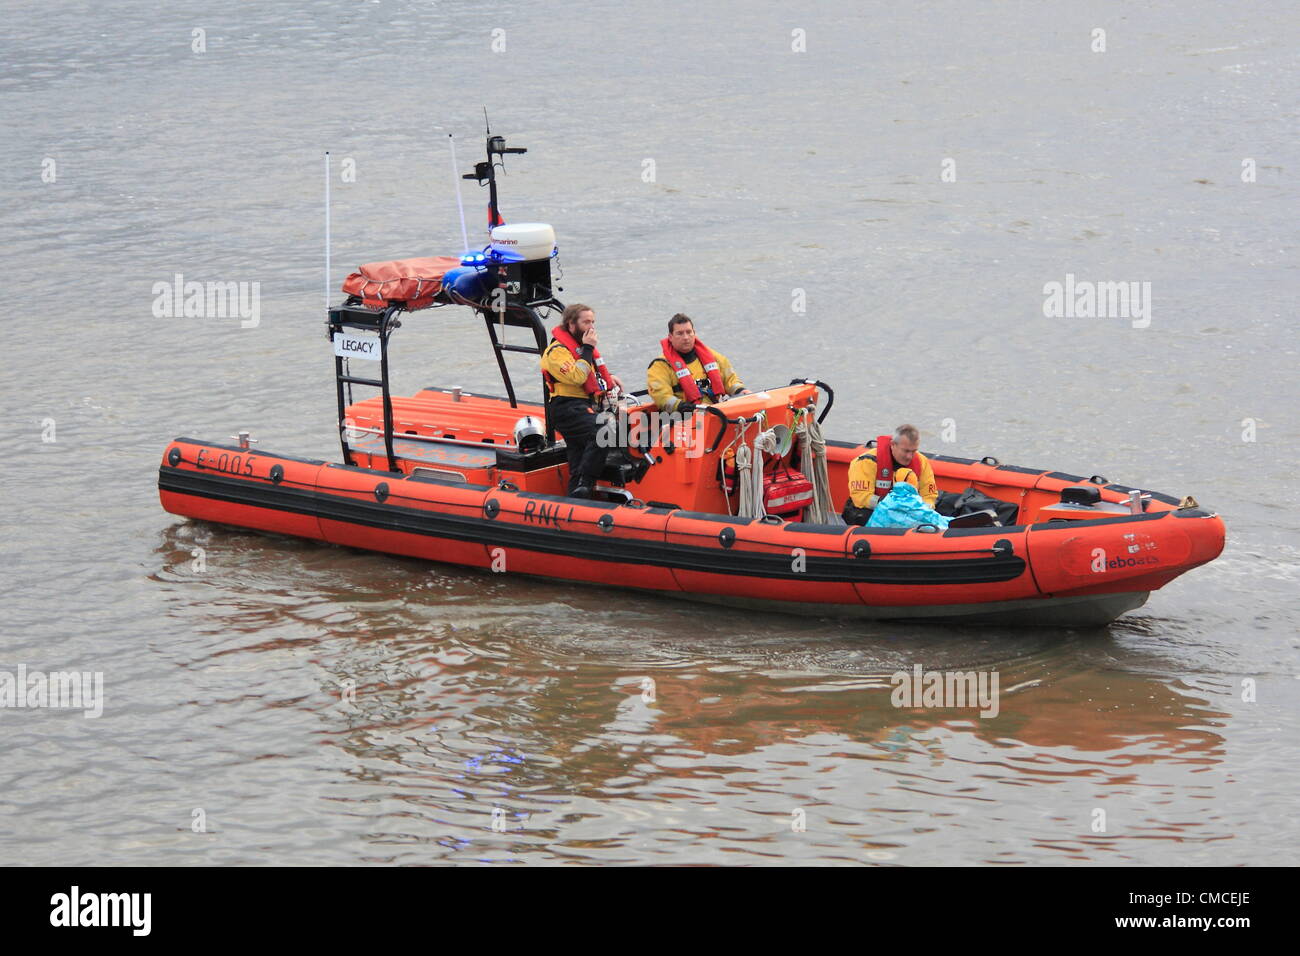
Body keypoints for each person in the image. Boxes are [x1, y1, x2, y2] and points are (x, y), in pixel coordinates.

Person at [540, 303, 624, 499]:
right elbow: (577, 376)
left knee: (577, 457)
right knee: (604, 431)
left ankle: (576, 498)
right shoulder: (557, 352)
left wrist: (608, 378)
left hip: (582, 406)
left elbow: (588, 372)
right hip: (566, 407)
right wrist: (588, 347)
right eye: (586, 322)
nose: (591, 327)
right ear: (571, 325)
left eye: (593, 322)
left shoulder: (579, 349)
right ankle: (586, 483)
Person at [646, 313, 749, 414]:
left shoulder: (713, 357)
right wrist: (690, 408)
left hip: (716, 411)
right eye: (680, 333)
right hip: (685, 418)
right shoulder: (659, 366)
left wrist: (741, 391)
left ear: (694, 333)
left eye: (689, 332)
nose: (686, 337)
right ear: (670, 337)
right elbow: (663, 397)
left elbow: (730, 380)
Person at [842, 424, 938, 524]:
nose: (909, 456)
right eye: (906, 451)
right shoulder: (866, 462)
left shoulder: (922, 462)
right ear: (893, 444)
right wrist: (891, 504)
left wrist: (919, 509)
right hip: (874, 510)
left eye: (913, 451)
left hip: (908, 512)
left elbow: (929, 496)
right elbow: (861, 497)